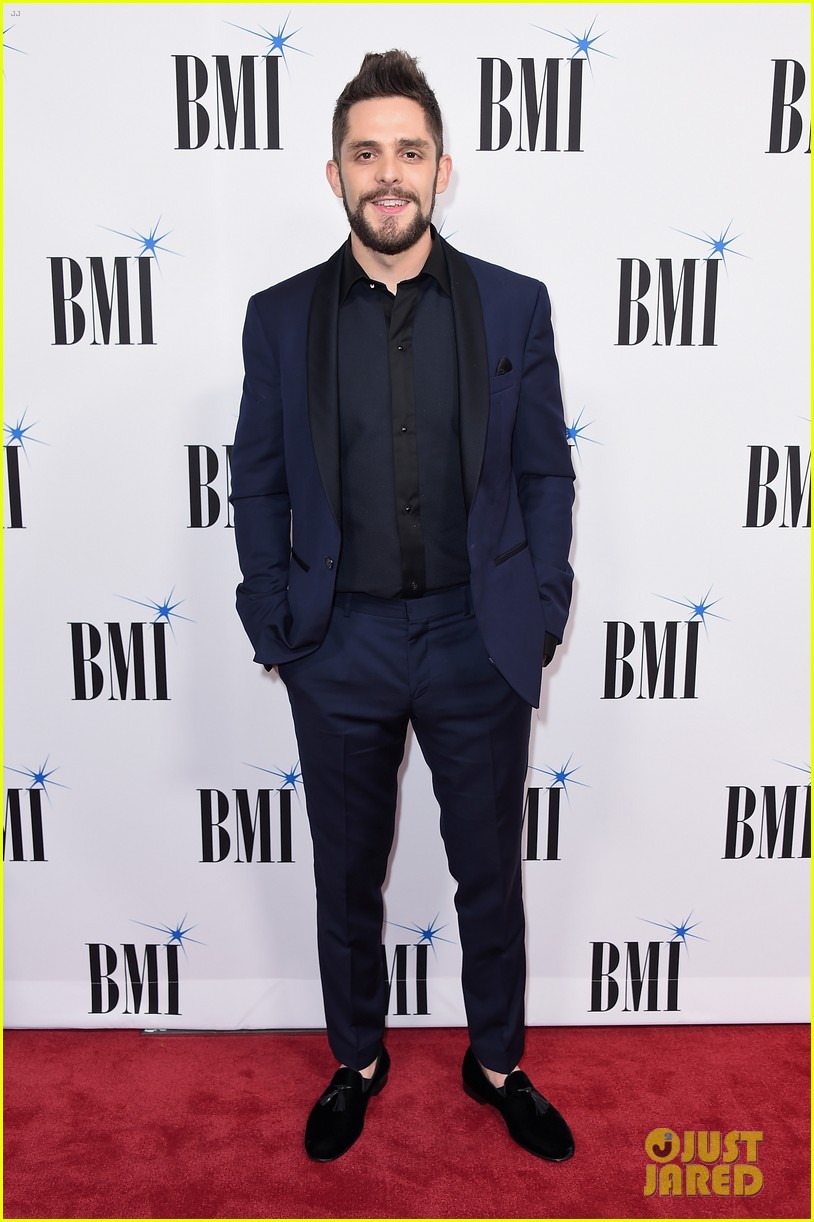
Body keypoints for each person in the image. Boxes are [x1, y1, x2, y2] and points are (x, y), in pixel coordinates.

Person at [230, 50, 576, 1163]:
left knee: (488, 865)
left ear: (443, 169)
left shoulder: (513, 305)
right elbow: (260, 479)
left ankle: (498, 1061)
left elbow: (544, 475)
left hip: (479, 638)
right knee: (345, 871)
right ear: (333, 174)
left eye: (409, 152)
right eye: (367, 152)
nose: (391, 174)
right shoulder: (279, 318)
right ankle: (357, 1057)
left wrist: (544, 603)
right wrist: (279, 622)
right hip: (341, 641)